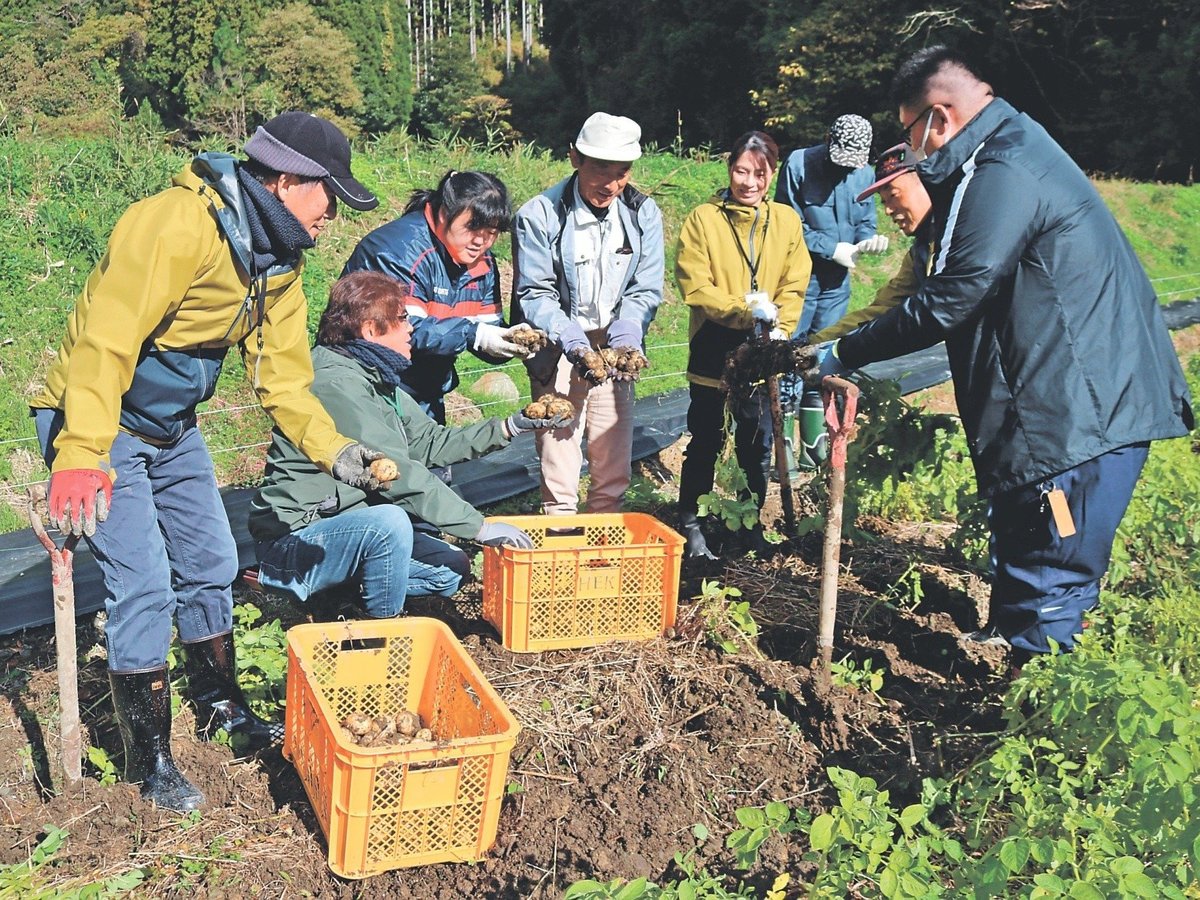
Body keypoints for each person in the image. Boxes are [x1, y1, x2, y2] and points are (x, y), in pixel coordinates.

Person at [29, 111, 390, 812]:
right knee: (145, 585)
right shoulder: (174, 223)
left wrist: (335, 449)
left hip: (171, 427)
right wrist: (79, 453)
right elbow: (105, 341)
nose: (332, 218)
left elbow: (283, 378)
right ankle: (151, 760)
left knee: (212, 563)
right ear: (290, 181)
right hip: (101, 424)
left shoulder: (277, 258)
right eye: (329, 199)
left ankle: (220, 704)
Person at [812, 46, 1194, 660]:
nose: (916, 151)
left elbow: (952, 296)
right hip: (1060, 408)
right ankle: (1016, 659)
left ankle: (1031, 728)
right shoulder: (1001, 158)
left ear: (939, 117)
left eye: (911, 133)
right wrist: (825, 345)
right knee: (1030, 550)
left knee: (1052, 576)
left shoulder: (1004, 168)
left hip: (1075, 418)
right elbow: (929, 293)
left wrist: (844, 354)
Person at [249, 271, 565, 616]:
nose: (411, 328)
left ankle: (334, 598)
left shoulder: (376, 378)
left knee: (449, 568)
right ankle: (379, 633)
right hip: (298, 537)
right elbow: (399, 475)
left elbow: (429, 442)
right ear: (371, 330)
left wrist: (510, 425)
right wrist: (481, 528)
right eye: (402, 319)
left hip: (343, 524)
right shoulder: (336, 383)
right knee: (389, 524)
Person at [512, 112, 665, 515]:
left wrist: (628, 333)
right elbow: (535, 291)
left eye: (622, 172)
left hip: (613, 342)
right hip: (559, 341)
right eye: (600, 169)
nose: (611, 184)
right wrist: (573, 342)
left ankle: (602, 550)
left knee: (612, 451)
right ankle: (560, 538)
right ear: (575, 158)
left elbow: (645, 287)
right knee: (559, 453)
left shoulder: (642, 213)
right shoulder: (540, 214)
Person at [675, 131, 811, 560]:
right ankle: (691, 521)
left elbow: (795, 279)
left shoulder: (786, 220)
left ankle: (750, 524)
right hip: (714, 340)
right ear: (728, 168)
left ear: (773, 173)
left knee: (756, 439)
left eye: (759, 173)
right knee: (706, 437)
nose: (748, 182)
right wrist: (744, 307)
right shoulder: (704, 219)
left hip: (763, 347)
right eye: (740, 170)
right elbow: (695, 285)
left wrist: (782, 325)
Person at [342, 170, 532, 426]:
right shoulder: (396, 252)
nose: (481, 241)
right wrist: (472, 334)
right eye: (473, 227)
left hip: (426, 395)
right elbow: (402, 331)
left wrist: (510, 342)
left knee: (429, 464)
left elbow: (487, 333)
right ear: (444, 213)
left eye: (492, 232)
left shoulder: (482, 263)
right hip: (367, 390)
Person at [774, 114, 890, 470]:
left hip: (836, 284)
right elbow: (786, 223)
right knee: (789, 355)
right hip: (798, 279)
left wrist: (866, 242)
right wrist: (830, 247)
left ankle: (815, 441)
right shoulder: (799, 165)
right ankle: (783, 446)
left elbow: (866, 219)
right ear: (827, 139)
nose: (845, 170)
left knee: (823, 355)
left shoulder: (864, 173)